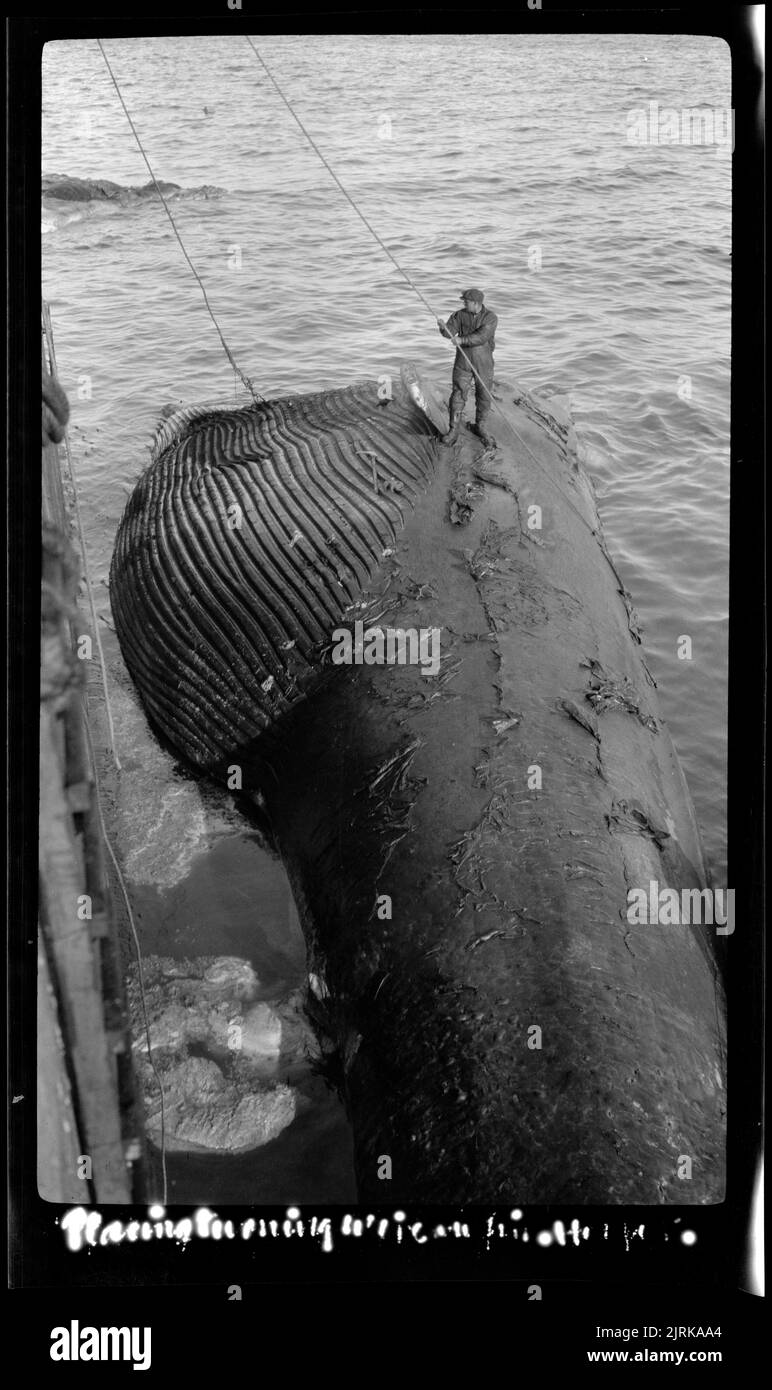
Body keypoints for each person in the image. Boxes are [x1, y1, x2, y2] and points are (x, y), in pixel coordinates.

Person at [437, 288, 498, 447]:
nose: (464, 303)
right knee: (458, 393)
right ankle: (453, 429)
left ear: (476, 303)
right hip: (463, 360)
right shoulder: (459, 315)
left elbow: (482, 336)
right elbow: (450, 332)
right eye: (464, 301)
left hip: (483, 361)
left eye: (466, 301)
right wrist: (444, 328)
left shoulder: (491, 317)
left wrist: (462, 341)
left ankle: (481, 426)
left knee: (484, 394)